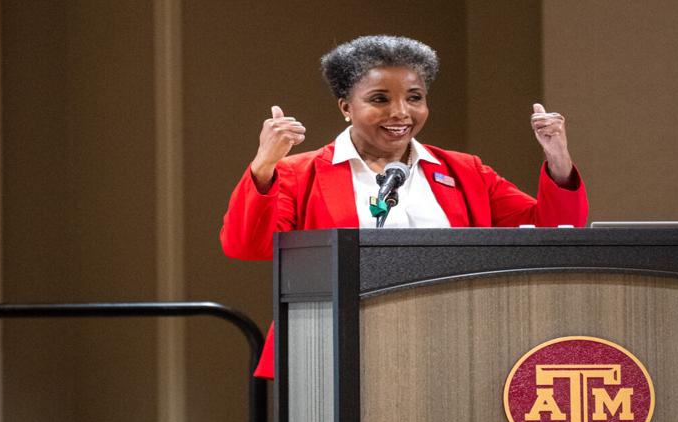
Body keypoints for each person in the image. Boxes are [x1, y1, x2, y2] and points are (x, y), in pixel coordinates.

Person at [222, 34, 589, 378]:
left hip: (451, 347)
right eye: (380, 99)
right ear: (346, 107)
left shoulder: (464, 171)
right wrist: (264, 166)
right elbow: (246, 245)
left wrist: (558, 159)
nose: (401, 112)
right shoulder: (297, 174)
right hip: (331, 348)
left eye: (414, 98)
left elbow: (553, 234)